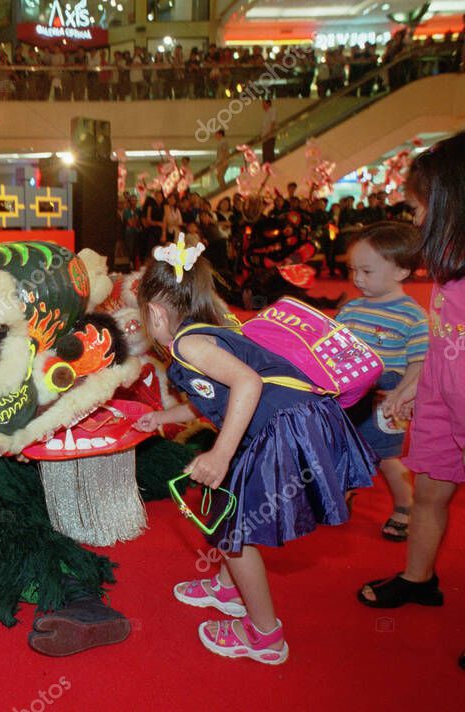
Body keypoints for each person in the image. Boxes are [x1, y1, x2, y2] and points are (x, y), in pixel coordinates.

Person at [134, 242, 374, 665]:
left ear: (155, 311)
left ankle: (265, 635)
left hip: (284, 430)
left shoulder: (191, 345)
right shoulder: (203, 334)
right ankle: (229, 590)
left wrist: (221, 455)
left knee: (233, 528)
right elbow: (213, 397)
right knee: (233, 518)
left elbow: (247, 385)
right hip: (284, 425)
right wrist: (162, 418)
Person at [358, 133, 465, 631]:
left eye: (423, 207)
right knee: (429, 494)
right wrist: (411, 387)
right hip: (443, 403)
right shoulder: (449, 269)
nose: (418, 219)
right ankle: (419, 578)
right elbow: (443, 345)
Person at [337, 222, 429, 541]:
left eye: (367, 271)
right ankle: (343, 493)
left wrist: (403, 394)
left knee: (388, 457)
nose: (357, 278)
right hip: (349, 397)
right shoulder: (350, 309)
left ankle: (405, 505)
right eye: (353, 270)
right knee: (342, 448)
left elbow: (419, 361)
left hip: (386, 402)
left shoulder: (412, 316)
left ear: (402, 270)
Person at [261, 98, 278, 163]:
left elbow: (273, 122)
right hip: (265, 137)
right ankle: (266, 166)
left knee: (269, 154)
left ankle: (270, 166)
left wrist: (269, 133)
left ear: (267, 103)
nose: (262, 105)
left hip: (269, 136)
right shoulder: (266, 113)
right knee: (265, 154)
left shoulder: (273, 110)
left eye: (263, 103)